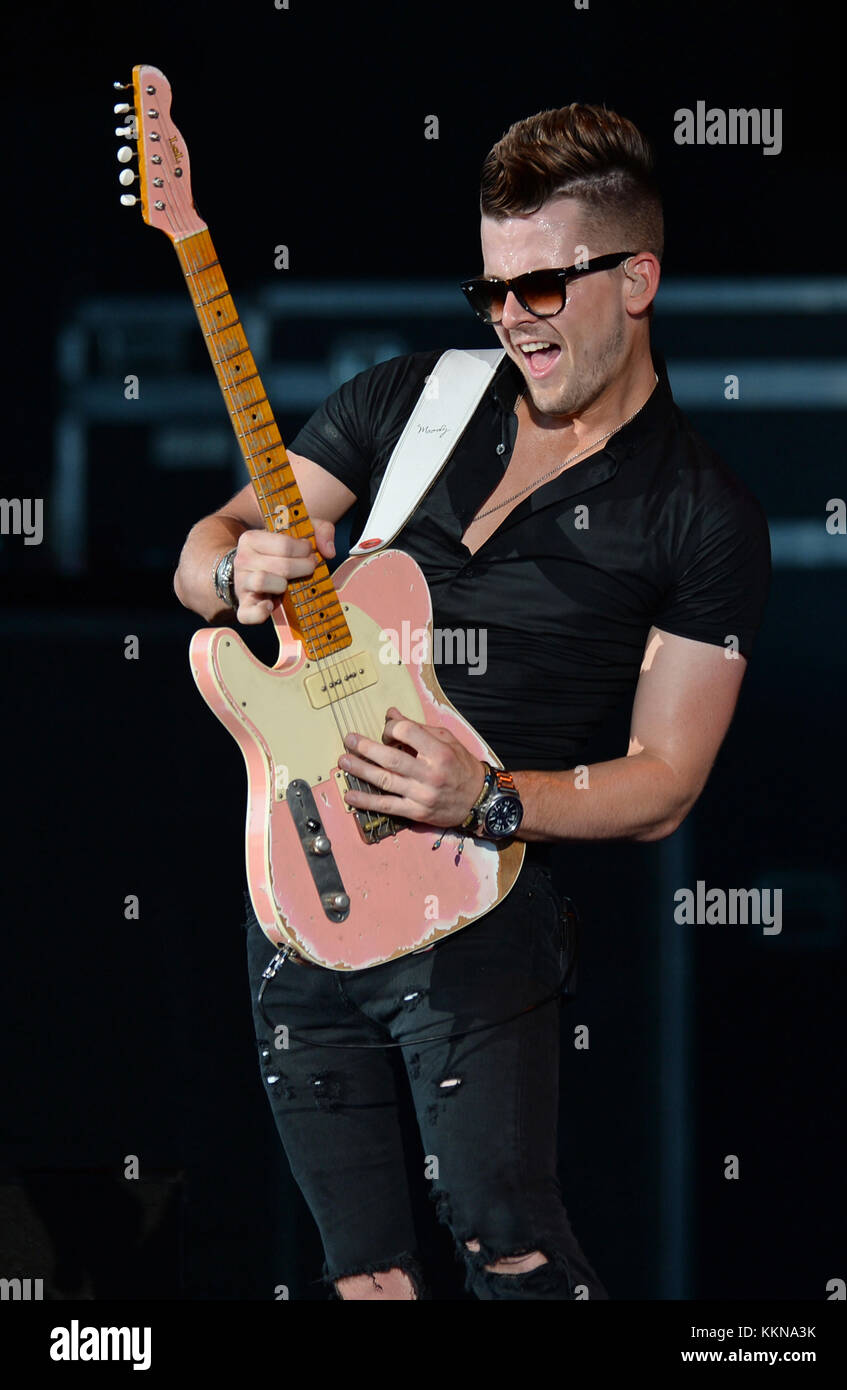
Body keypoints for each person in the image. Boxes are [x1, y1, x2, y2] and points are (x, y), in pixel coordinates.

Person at [173, 102, 771, 1300]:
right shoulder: (415, 396)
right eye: (493, 288)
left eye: (542, 286)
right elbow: (211, 545)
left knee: (510, 1246)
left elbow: (663, 783)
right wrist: (233, 566)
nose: (510, 317)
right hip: (299, 883)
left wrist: (489, 799)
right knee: (362, 1273)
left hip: (476, 910)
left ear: (635, 277)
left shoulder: (699, 513)